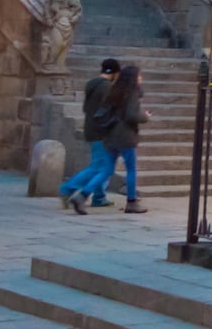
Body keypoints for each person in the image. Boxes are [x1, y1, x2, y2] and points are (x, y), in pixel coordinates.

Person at [59, 58, 121, 211]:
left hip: (92, 128)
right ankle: (67, 189)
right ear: (114, 73)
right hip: (101, 131)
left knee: (101, 165)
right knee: (98, 167)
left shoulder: (92, 84)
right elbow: (109, 111)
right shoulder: (107, 88)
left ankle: (99, 197)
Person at [94, 63, 149, 214]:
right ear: (133, 78)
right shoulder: (132, 93)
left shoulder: (115, 90)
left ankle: (82, 194)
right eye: (139, 75)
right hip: (125, 137)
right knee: (131, 169)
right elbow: (131, 115)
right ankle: (131, 202)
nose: (140, 78)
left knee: (107, 170)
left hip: (112, 135)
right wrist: (144, 116)